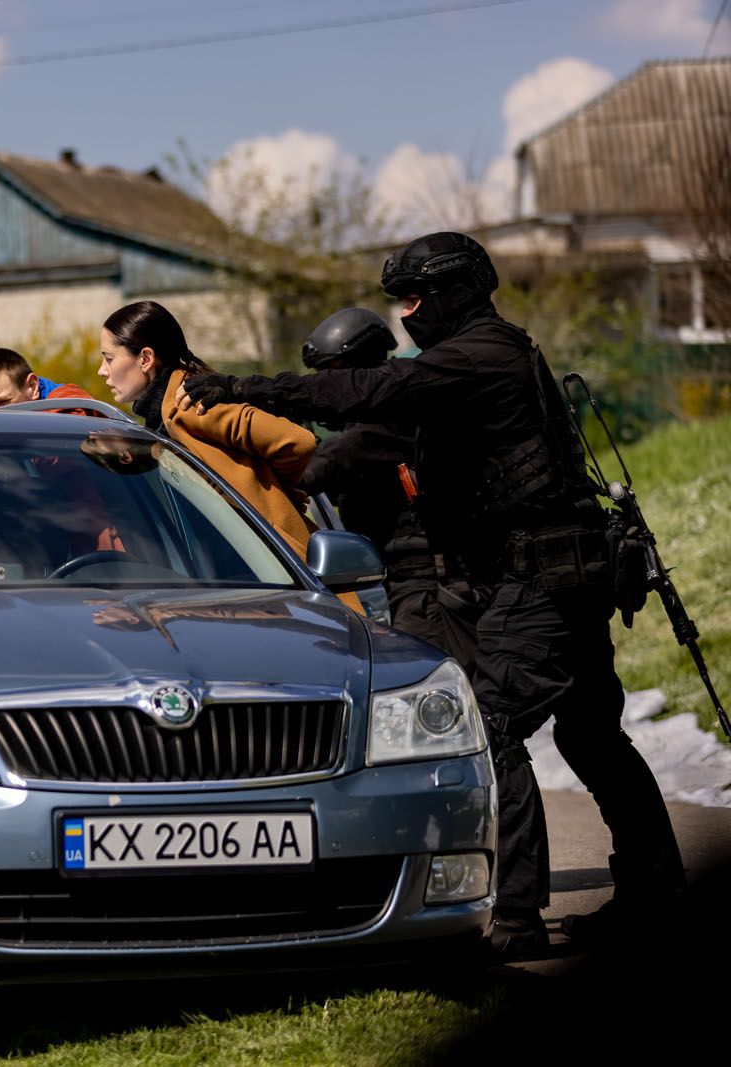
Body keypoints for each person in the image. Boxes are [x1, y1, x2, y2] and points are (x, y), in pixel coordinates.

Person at [180, 232, 685, 954]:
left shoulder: (480, 356)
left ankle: (515, 916)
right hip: (561, 574)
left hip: (539, 582)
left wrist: (242, 387)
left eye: (414, 296)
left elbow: (371, 391)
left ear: (454, 288)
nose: (406, 313)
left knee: (492, 731)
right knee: (588, 732)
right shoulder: (485, 357)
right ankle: (655, 891)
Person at [298, 308, 478, 667]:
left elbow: (314, 470)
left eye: (330, 376)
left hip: (422, 585)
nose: (324, 390)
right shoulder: (389, 421)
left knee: (424, 679)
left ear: (357, 371)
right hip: (411, 579)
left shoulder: (379, 429)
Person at [97, 300, 322, 560]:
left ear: (145, 359)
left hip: (271, 567)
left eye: (109, 358)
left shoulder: (192, 406)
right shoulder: (160, 417)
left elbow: (298, 441)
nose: (102, 371)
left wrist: (272, 488)